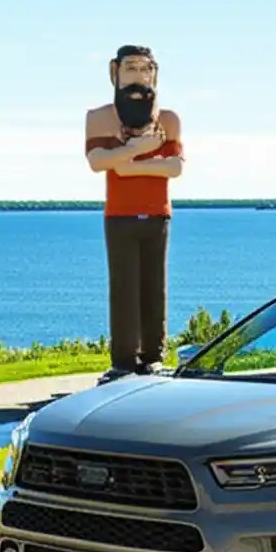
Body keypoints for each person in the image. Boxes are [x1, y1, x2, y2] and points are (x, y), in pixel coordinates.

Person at [84, 44, 183, 383]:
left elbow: (174, 167)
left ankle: (153, 357)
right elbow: (98, 161)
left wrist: (128, 163)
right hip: (119, 215)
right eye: (131, 69)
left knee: (155, 288)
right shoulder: (100, 118)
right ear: (115, 72)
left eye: (145, 69)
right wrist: (138, 148)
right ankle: (123, 362)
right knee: (123, 288)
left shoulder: (168, 120)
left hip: (158, 215)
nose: (139, 77)